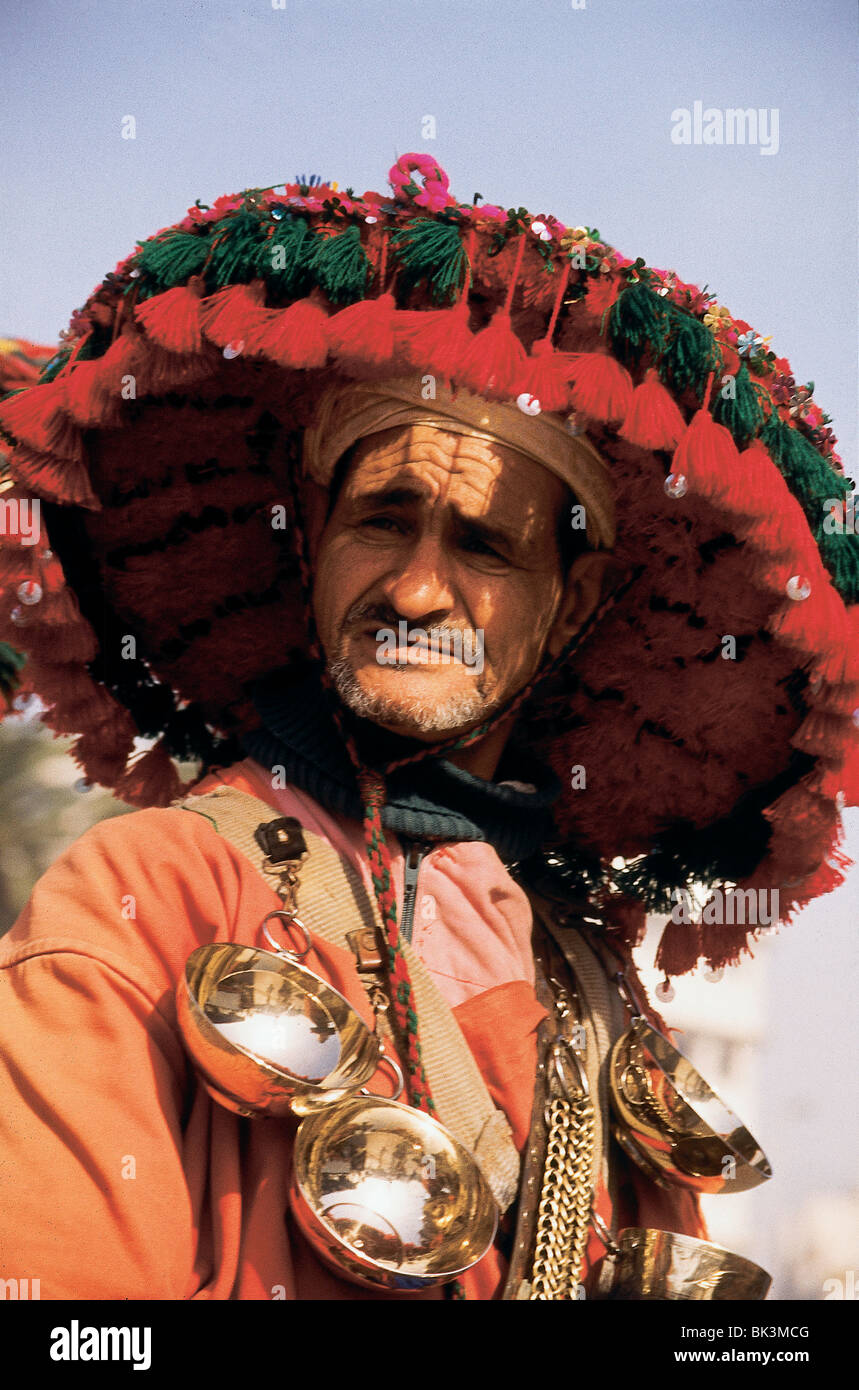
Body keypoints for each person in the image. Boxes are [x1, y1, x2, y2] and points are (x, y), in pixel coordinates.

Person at [0, 154, 856, 1301]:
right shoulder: (150, 894)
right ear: (309, 540)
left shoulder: (594, 991)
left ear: (575, 601)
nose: (413, 593)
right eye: (381, 521)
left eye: (484, 545)